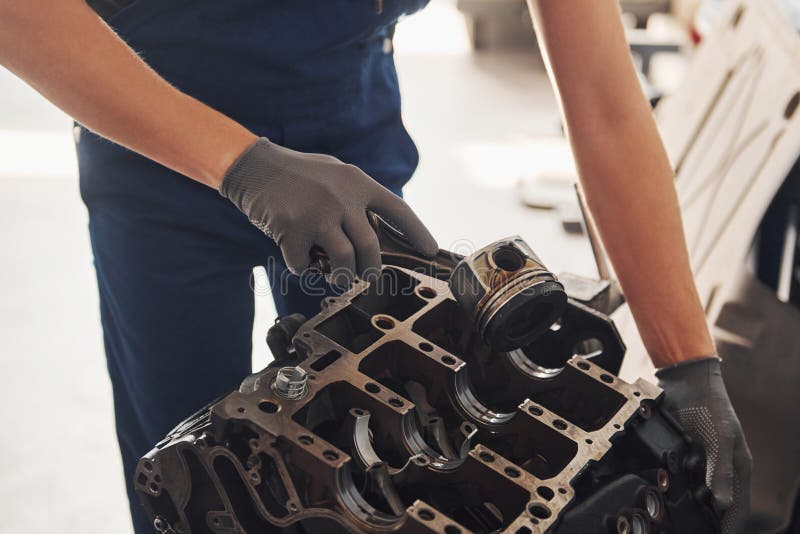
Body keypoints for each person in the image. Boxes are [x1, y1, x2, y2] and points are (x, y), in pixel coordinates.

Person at [0, 1, 750, 532]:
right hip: (151, 131)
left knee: (393, 457)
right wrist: (238, 164)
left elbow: (605, 103)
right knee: (194, 482)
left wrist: (688, 364)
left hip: (346, 133)